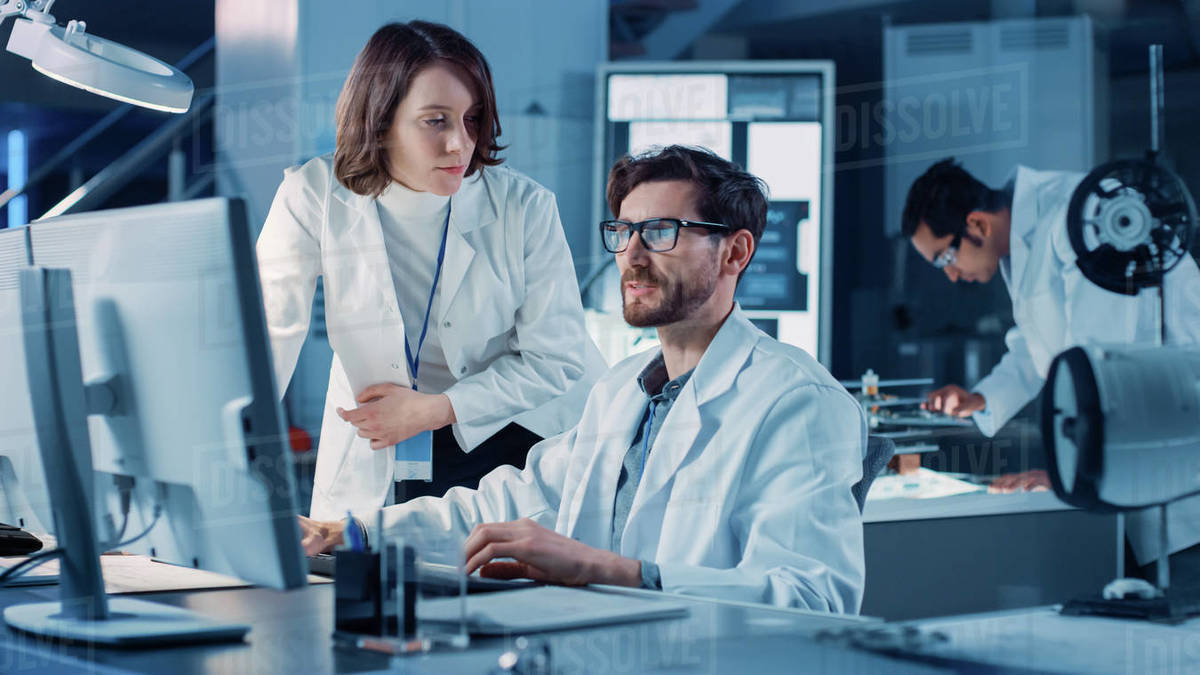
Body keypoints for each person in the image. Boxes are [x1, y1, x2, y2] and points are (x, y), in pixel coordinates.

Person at [298, 145, 867, 612]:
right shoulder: (621, 392)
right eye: (624, 232)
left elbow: (813, 598)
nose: (633, 256)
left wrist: (611, 572)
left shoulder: (798, 402)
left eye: (662, 231)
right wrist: (347, 534)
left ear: (735, 253)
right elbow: (505, 503)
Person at [256, 21, 606, 521]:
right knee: (363, 574)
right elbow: (267, 335)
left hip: (519, 430)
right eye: (435, 121)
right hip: (383, 433)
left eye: (472, 119)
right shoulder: (313, 195)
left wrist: (435, 408)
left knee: (496, 580)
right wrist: (228, 462)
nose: (460, 145)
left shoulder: (524, 206)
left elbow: (557, 360)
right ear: (380, 121)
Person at [903, 157, 1200, 578]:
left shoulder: (1081, 215)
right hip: (1133, 468)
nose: (950, 275)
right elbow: (1038, 346)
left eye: (943, 258)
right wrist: (982, 398)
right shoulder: (1021, 239)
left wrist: (1065, 475)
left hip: (1177, 458)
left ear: (977, 225)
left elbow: (1107, 363)